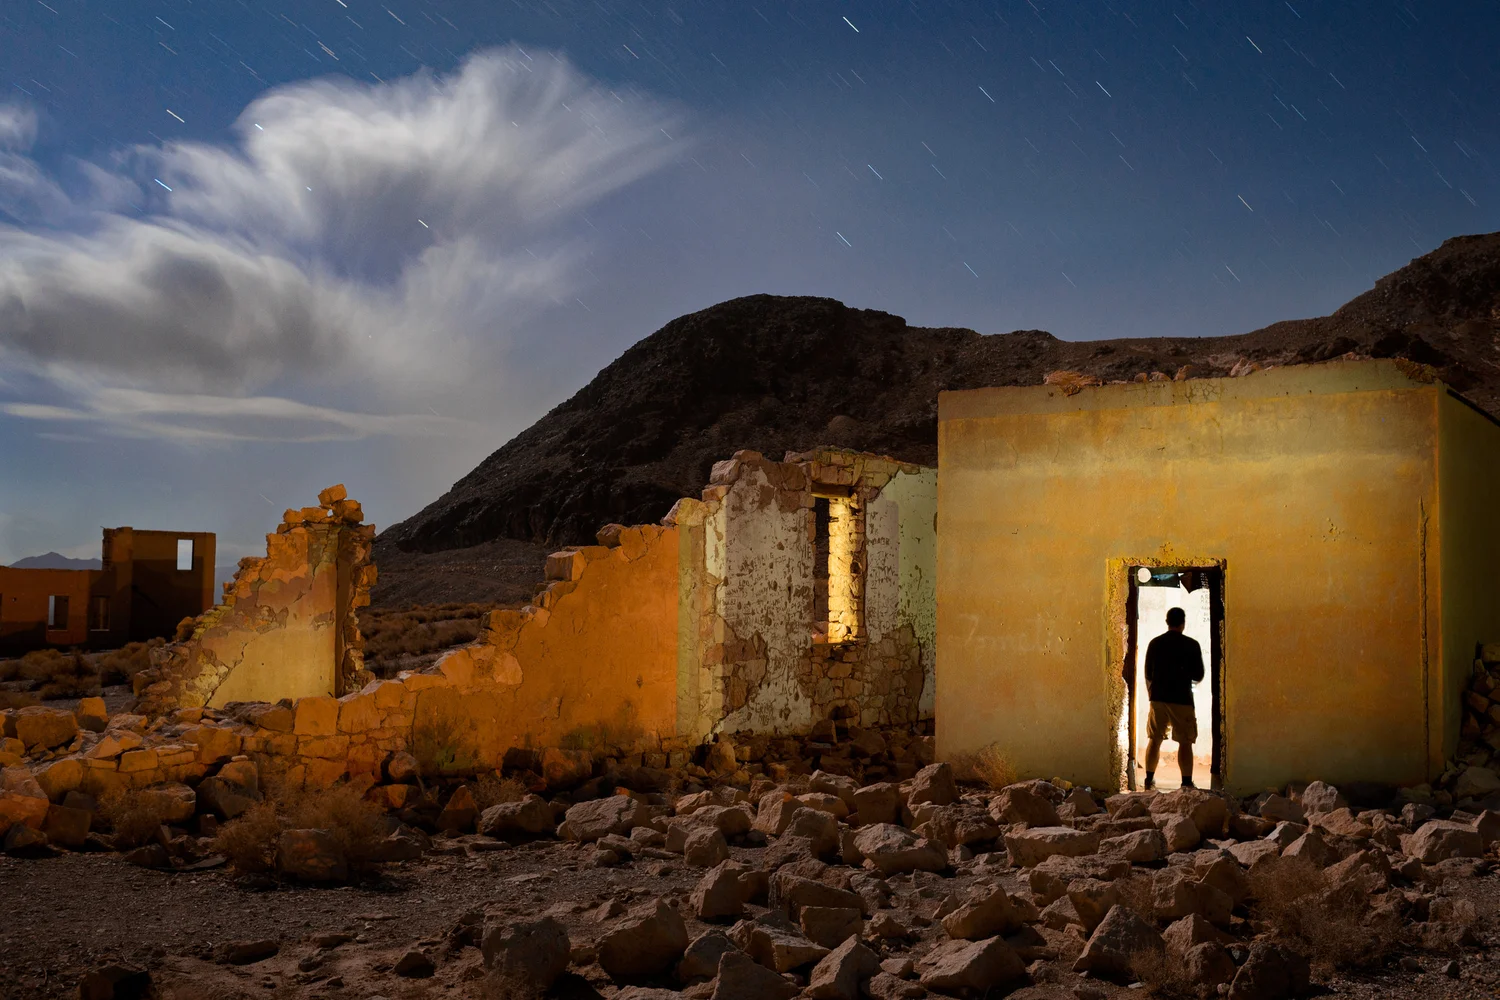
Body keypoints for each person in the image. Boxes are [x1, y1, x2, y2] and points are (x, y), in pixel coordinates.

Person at [1142, 606, 1204, 789]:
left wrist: (1152, 695)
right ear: (1183, 623)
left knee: (1155, 739)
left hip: (1158, 698)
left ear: (1167, 622)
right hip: (1182, 699)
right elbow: (1198, 674)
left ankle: (1149, 780)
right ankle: (1186, 783)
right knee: (1185, 741)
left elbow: (1148, 673)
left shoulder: (1155, 643)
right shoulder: (1192, 645)